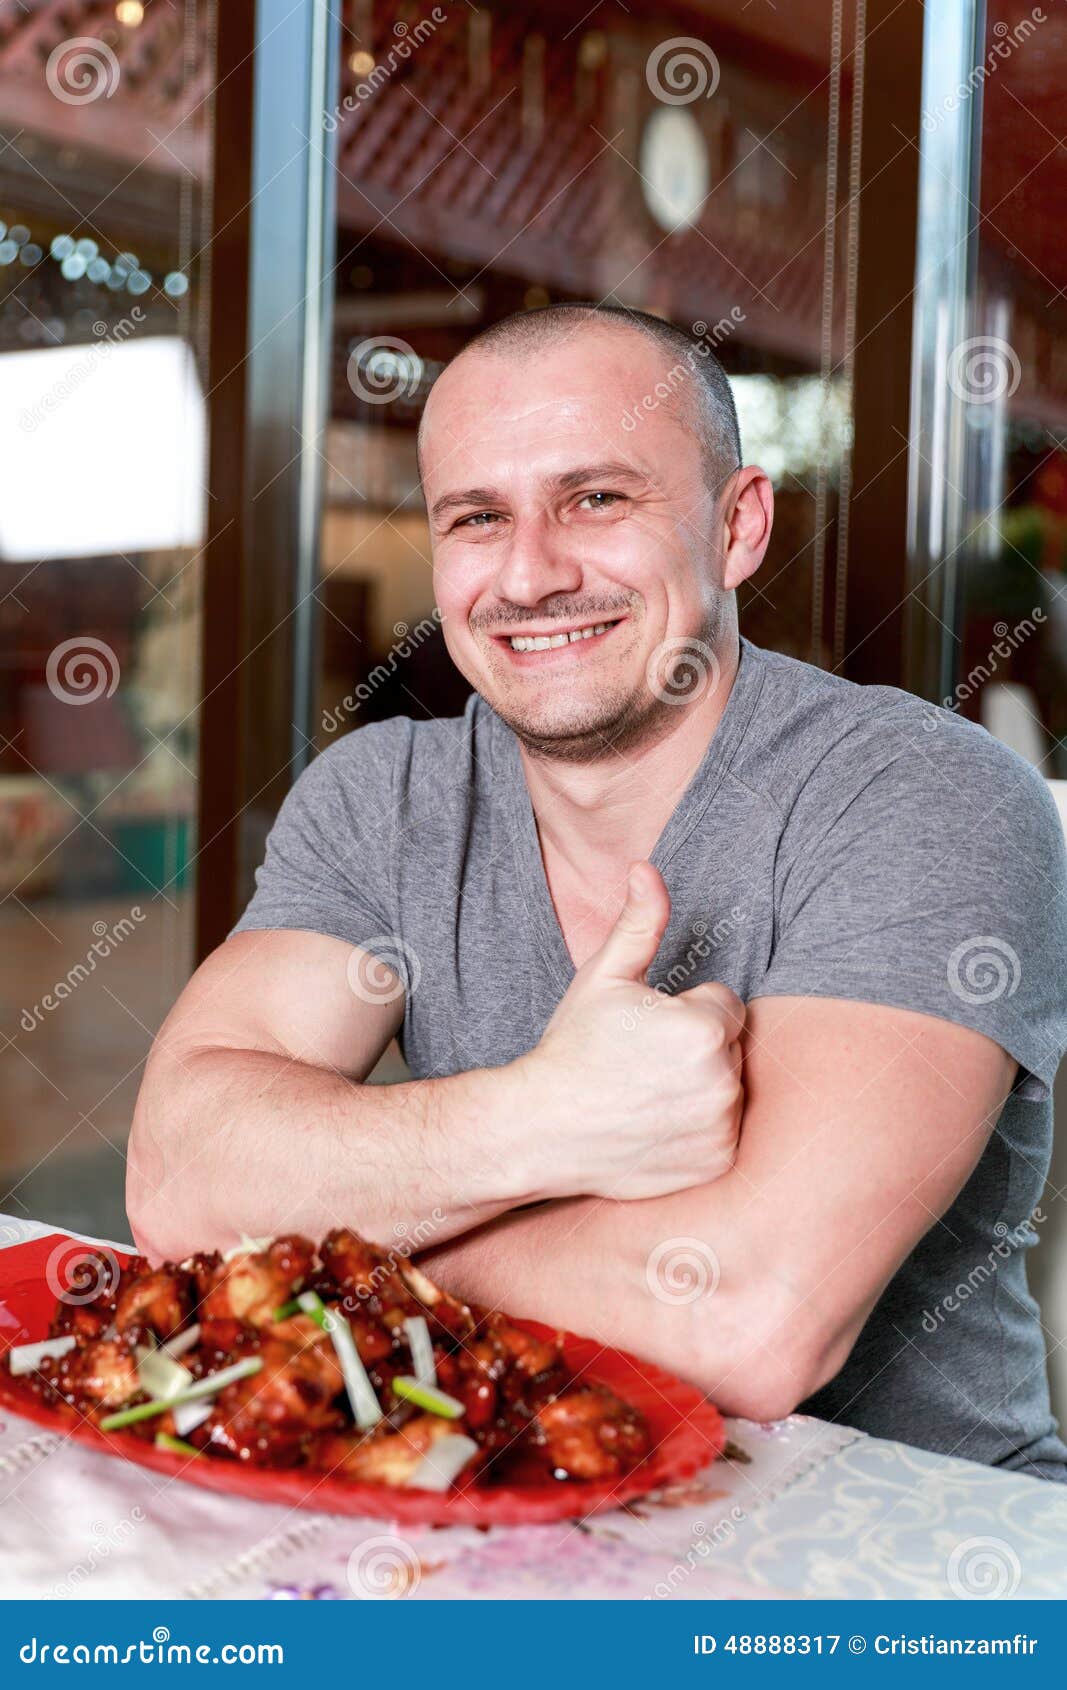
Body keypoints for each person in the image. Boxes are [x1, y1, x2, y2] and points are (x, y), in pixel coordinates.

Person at [128, 304, 1067, 1477]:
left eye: (595, 500)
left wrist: (335, 1257)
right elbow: (178, 1180)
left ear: (737, 526)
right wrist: (547, 1116)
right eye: (477, 517)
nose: (530, 573)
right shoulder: (385, 793)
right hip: (499, 1523)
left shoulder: (924, 797)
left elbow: (747, 1319)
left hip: (913, 1574)